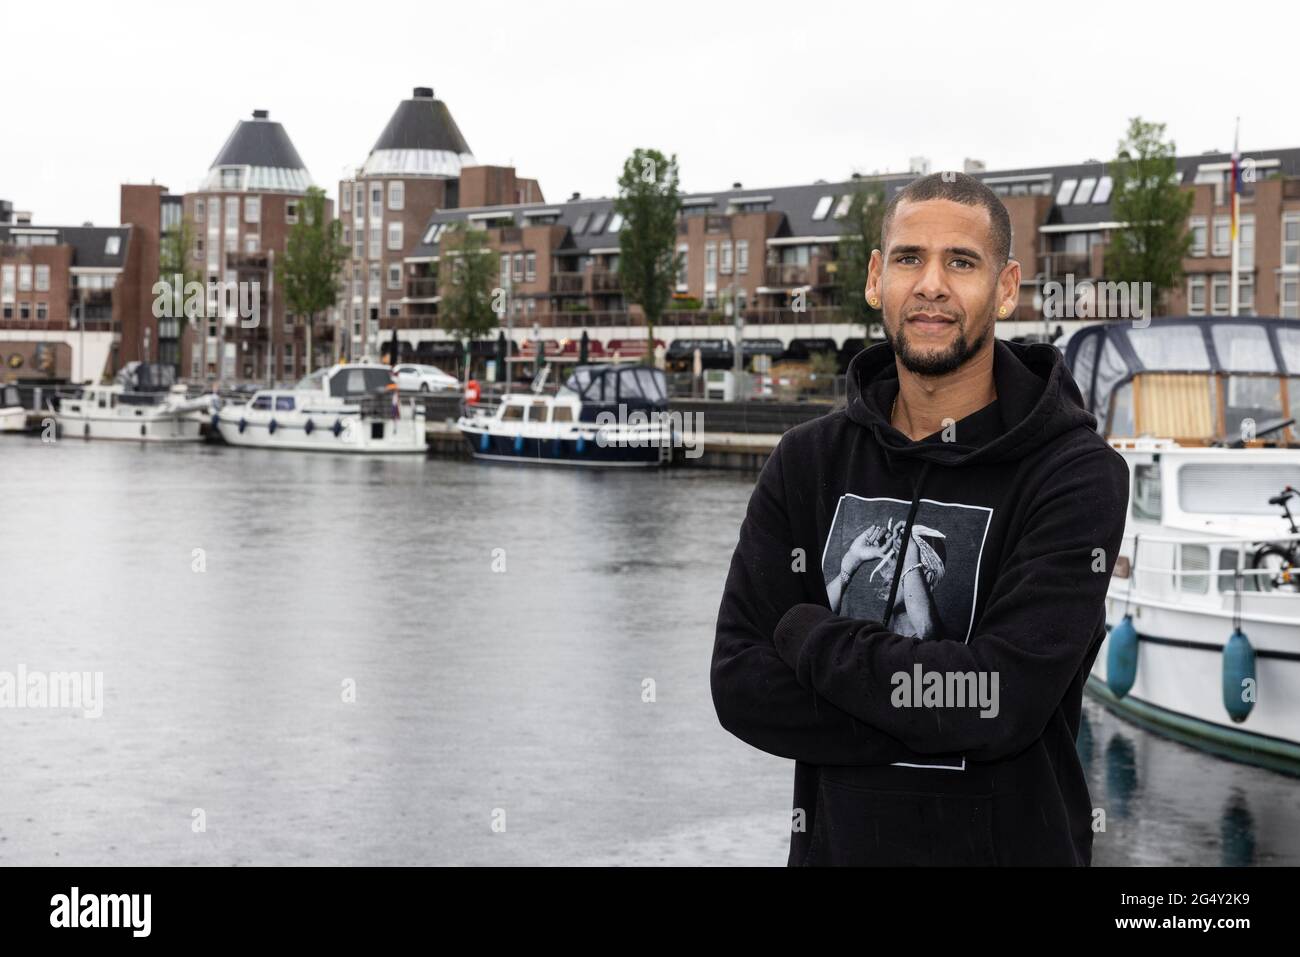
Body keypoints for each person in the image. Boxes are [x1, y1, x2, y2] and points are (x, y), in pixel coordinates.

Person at [711, 172, 1130, 866]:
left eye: (961, 262)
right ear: (877, 279)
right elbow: (739, 684)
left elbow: (998, 698)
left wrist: (807, 634)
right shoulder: (807, 461)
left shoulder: (1074, 474)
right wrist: (941, 715)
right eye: (909, 258)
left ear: (1004, 288)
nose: (931, 284)